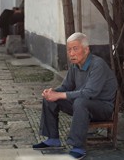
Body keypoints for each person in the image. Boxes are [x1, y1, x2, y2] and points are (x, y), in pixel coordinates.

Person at [32, 32, 118, 160]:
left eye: (75, 49)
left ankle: (78, 146)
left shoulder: (98, 65)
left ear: (86, 49)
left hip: (102, 108)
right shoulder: (75, 65)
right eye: (69, 50)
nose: (71, 53)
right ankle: (52, 139)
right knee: (51, 99)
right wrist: (52, 92)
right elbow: (66, 87)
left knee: (80, 101)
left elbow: (89, 93)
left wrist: (59, 95)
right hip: (82, 106)